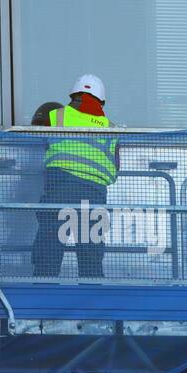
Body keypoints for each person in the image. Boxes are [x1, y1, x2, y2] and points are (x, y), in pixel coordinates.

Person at [31, 75, 119, 280]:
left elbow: (35, 139)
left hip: (59, 186)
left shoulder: (55, 115)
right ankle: (91, 295)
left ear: (73, 96)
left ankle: (44, 289)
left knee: (50, 240)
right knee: (90, 248)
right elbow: (115, 168)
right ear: (101, 101)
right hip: (94, 193)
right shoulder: (112, 128)